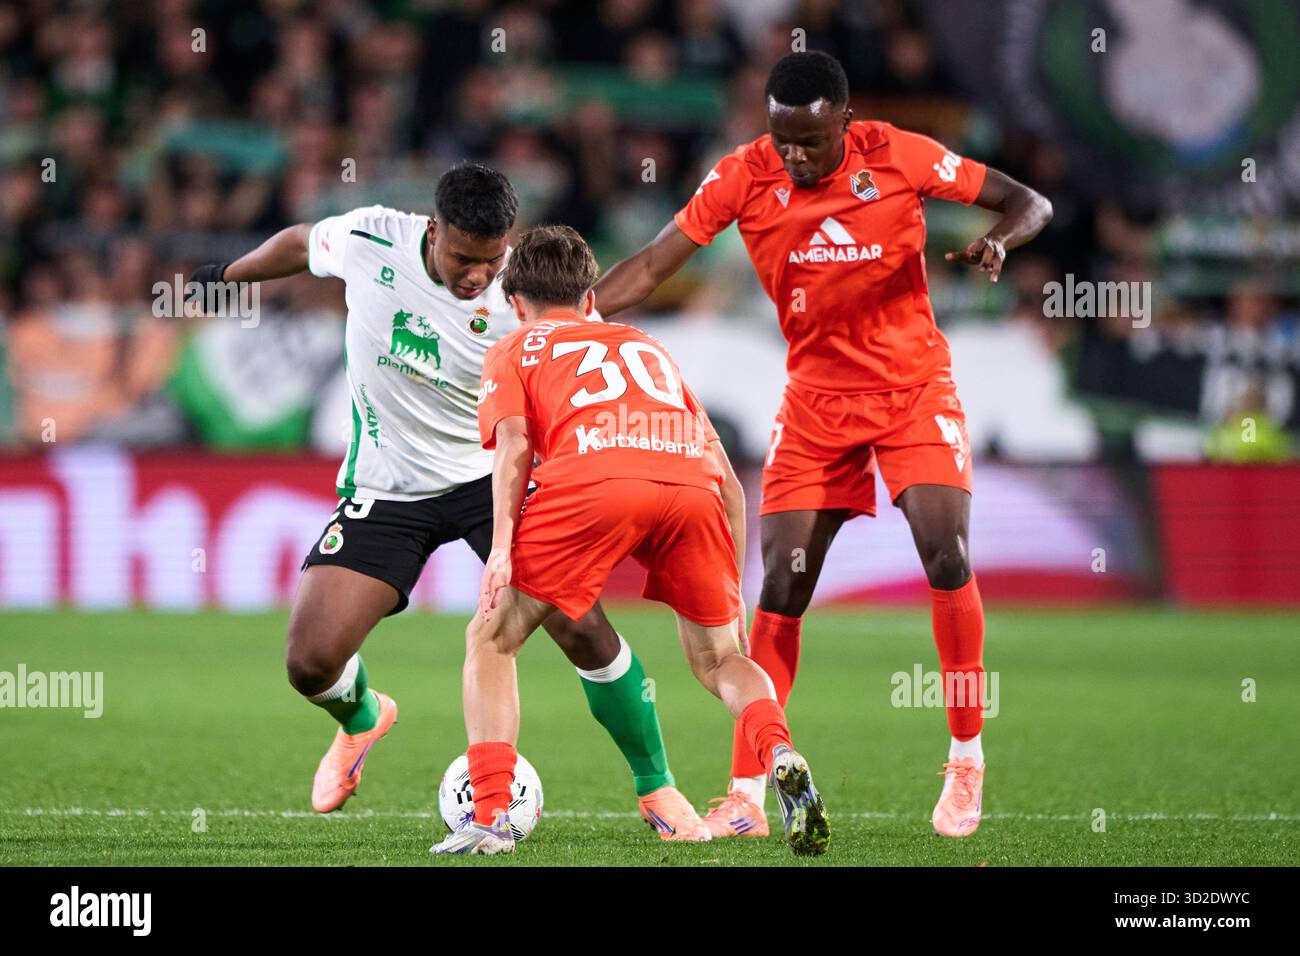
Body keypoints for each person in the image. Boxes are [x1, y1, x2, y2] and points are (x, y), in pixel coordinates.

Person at [592, 51, 1054, 839]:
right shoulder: (744, 174)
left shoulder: (899, 154)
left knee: (946, 552)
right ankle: (746, 792)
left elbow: (1029, 201)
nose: (794, 157)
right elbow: (654, 266)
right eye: (781, 140)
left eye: (809, 142)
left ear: (845, 122)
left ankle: (967, 757)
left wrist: (1001, 241)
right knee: (782, 581)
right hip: (814, 403)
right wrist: (569, 319)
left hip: (913, 391)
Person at [188, 163, 709, 840]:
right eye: (463, 258)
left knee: (580, 627)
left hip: (491, 480)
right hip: (388, 486)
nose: (475, 276)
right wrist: (228, 276)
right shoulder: (373, 240)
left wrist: (699, 219)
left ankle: (657, 787)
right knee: (310, 660)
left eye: (490, 261)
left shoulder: (526, 289)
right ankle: (363, 718)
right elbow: (297, 244)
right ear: (433, 230)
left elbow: (628, 284)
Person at [431, 224, 828, 856]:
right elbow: (728, 480)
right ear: (590, 298)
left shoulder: (513, 348)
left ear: (516, 304)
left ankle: (491, 817)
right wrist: (734, 590)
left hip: (591, 479)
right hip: (689, 487)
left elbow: (513, 446)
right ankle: (778, 751)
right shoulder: (647, 347)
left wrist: (502, 545)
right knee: (721, 659)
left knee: (492, 637)